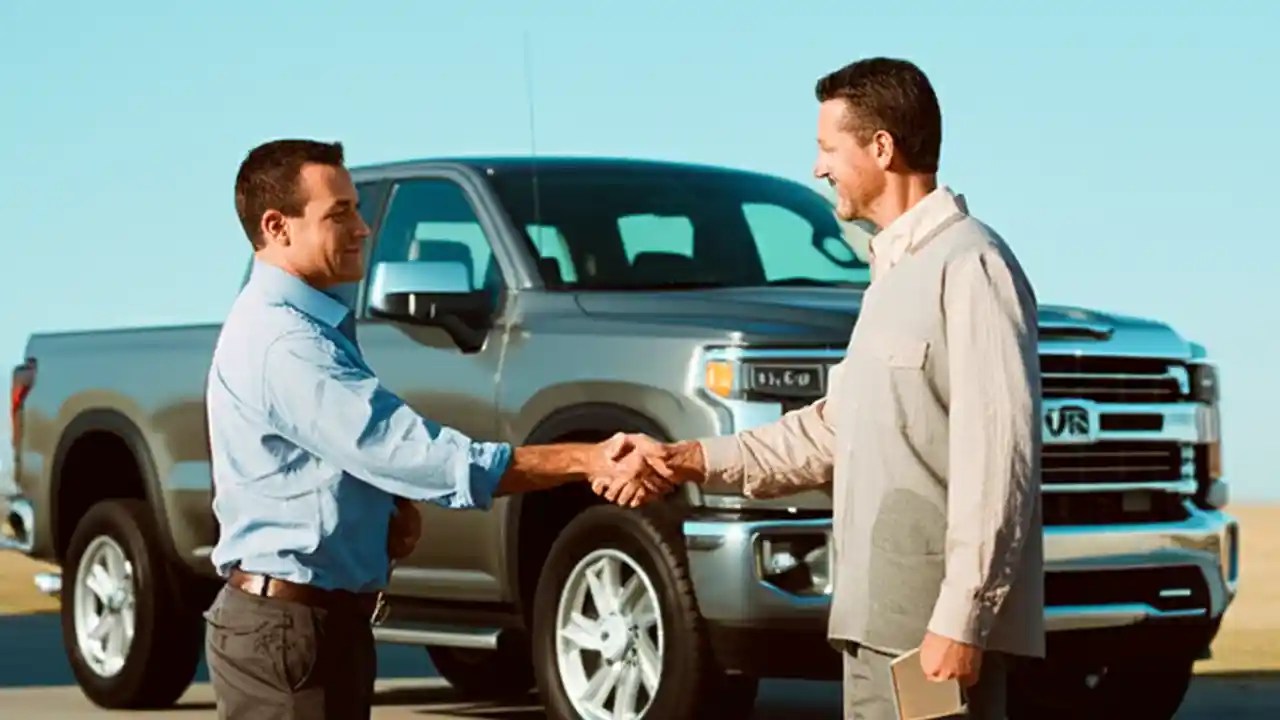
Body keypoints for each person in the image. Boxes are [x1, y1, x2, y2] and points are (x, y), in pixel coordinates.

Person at [611, 57, 1045, 719]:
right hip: (872, 624)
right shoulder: (891, 276)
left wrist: (963, 618)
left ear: (882, 147)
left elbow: (999, 462)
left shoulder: (971, 265)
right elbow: (829, 432)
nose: (818, 169)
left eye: (826, 148)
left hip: (931, 636)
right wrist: (684, 460)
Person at [203, 138, 671, 719]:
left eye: (356, 208)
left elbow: (342, 457)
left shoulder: (303, 327)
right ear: (277, 226)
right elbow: (411, 453)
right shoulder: (286, 343)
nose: (364, 228)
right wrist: (587, 461)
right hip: (289, 632)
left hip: (311, 625)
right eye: (340, 213)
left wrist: (385, 508)